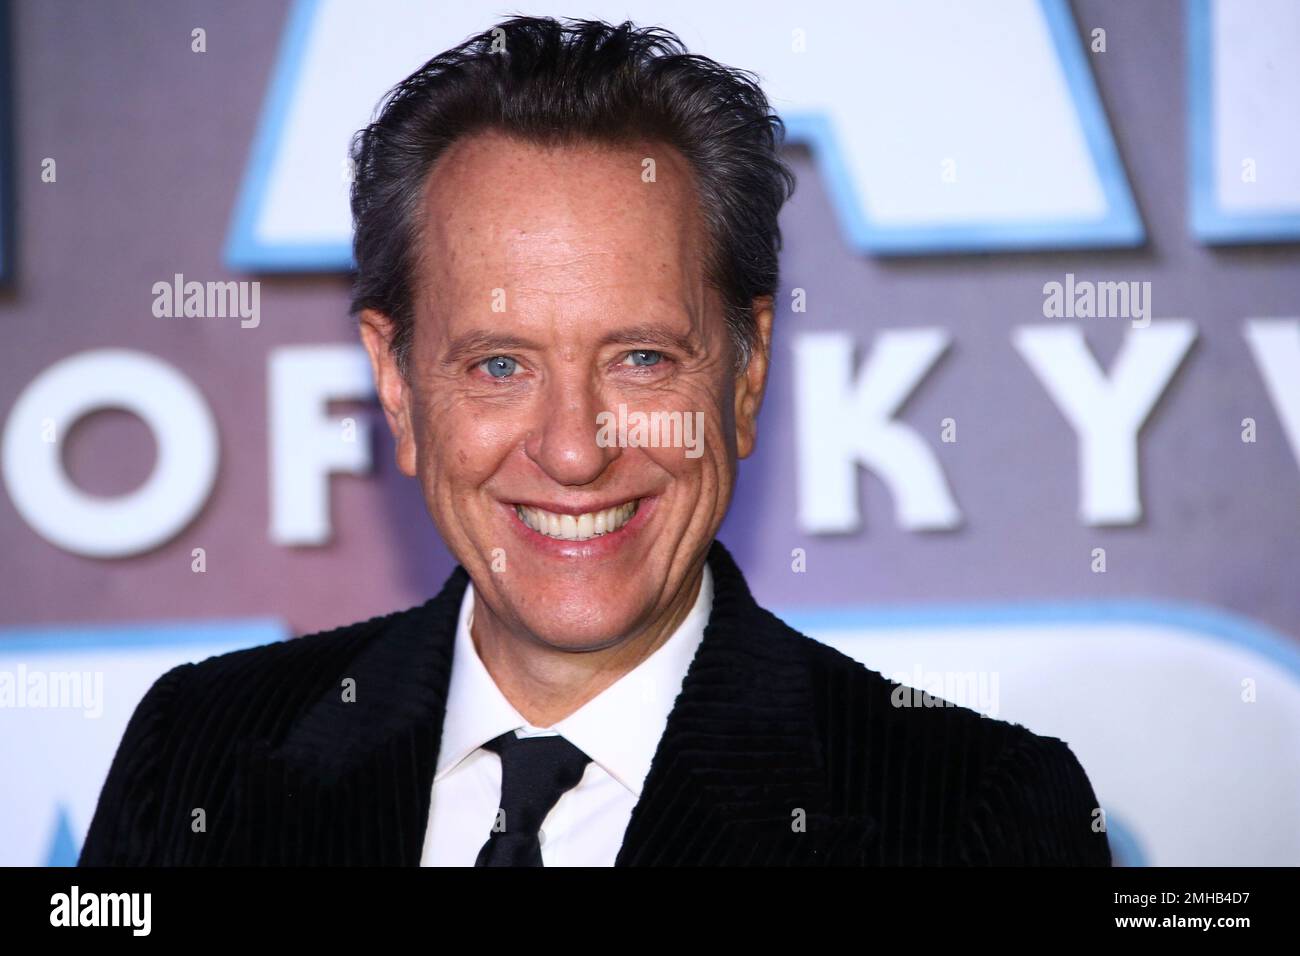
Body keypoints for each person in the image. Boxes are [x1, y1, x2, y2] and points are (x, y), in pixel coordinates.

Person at [79, 15, 1109, 866]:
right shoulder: (199, 755)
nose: (574, 450)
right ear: (396, 385)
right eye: (498, 365)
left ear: (745, 373)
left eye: (642, 358)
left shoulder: (976, 815)